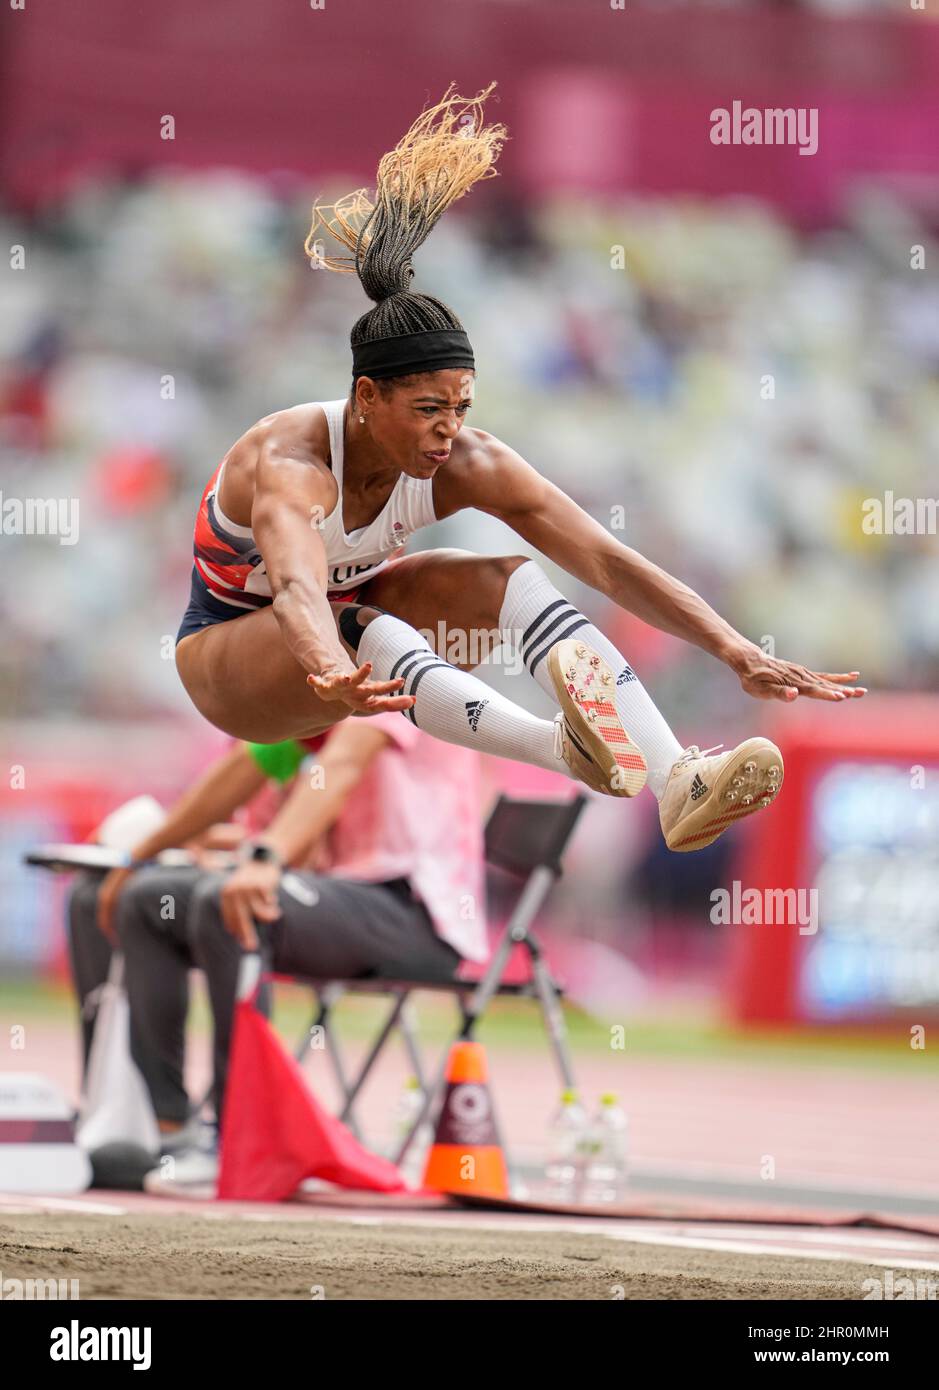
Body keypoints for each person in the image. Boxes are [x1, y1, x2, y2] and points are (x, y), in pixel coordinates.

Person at [173, 83, 865, 855]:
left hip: (353, 642)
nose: (449, 432)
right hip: (233, 661)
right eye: (429, 409)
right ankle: (557, 748)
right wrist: (324, 666)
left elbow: (604, 559)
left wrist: (733, 647)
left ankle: (675, 780)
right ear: (366, 397)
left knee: (506, 579)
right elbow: (300, 587)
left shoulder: (463, 460)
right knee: (356, 621)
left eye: (461, 405)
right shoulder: (291, 461)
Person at [72, 718, 485, 1185]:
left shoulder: (392, 670)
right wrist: (142, 854)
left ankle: (242, 1139)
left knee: (228, 901)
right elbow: (245, 770)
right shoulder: (309, 698)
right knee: (144, 901)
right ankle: (168, 1129)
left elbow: (342, 763)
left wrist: (264, 858)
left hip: (413, 914)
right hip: (336, 892)